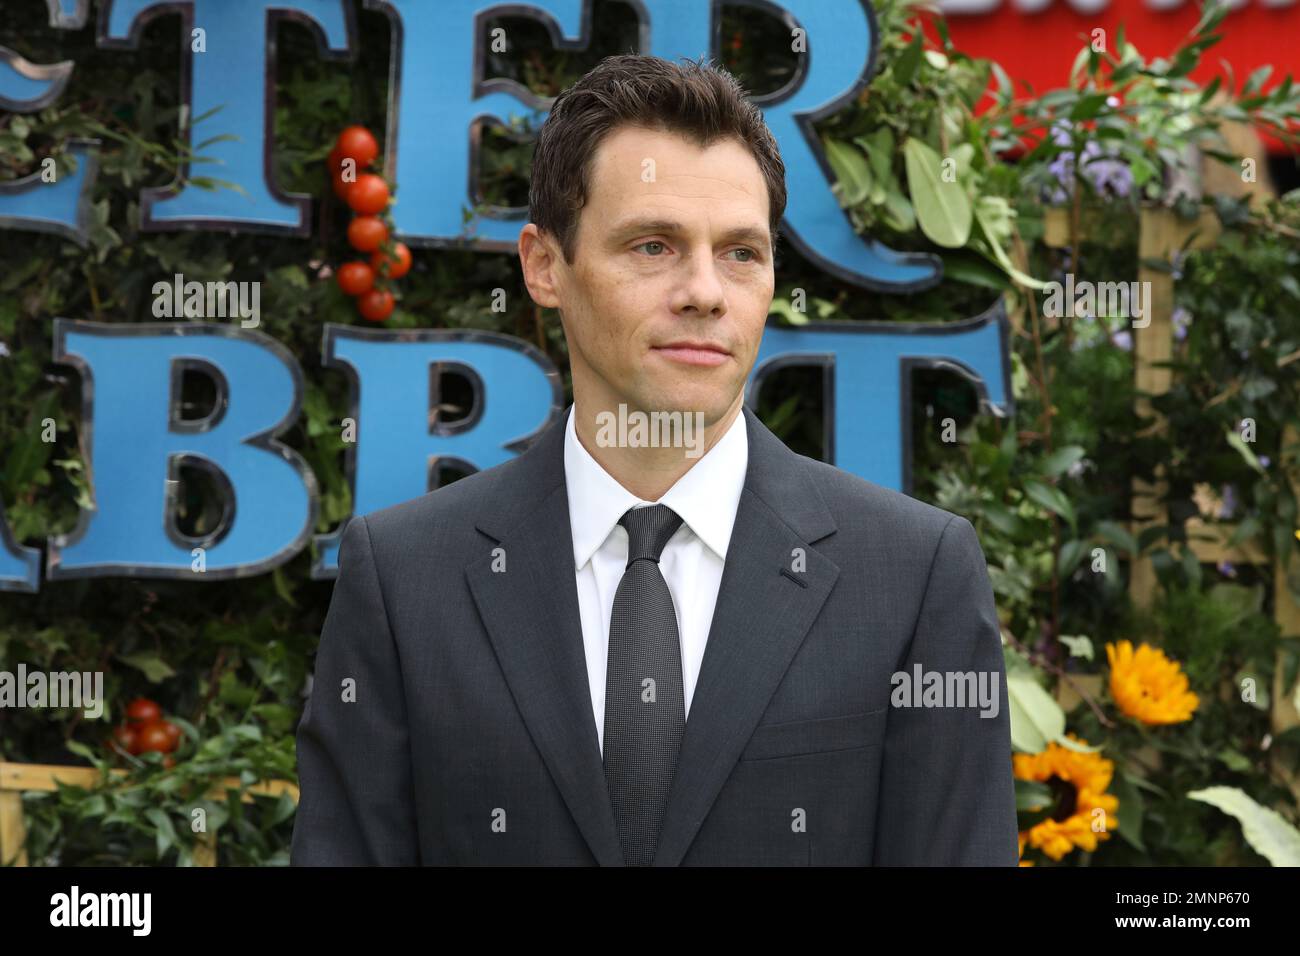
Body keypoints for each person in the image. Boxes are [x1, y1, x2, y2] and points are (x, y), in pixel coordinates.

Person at [290, 53, 1018, 866]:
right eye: (653, 246)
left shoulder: (914, 576)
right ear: (543, 266)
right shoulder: (403, 578)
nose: (706, 291)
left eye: (741, 253)